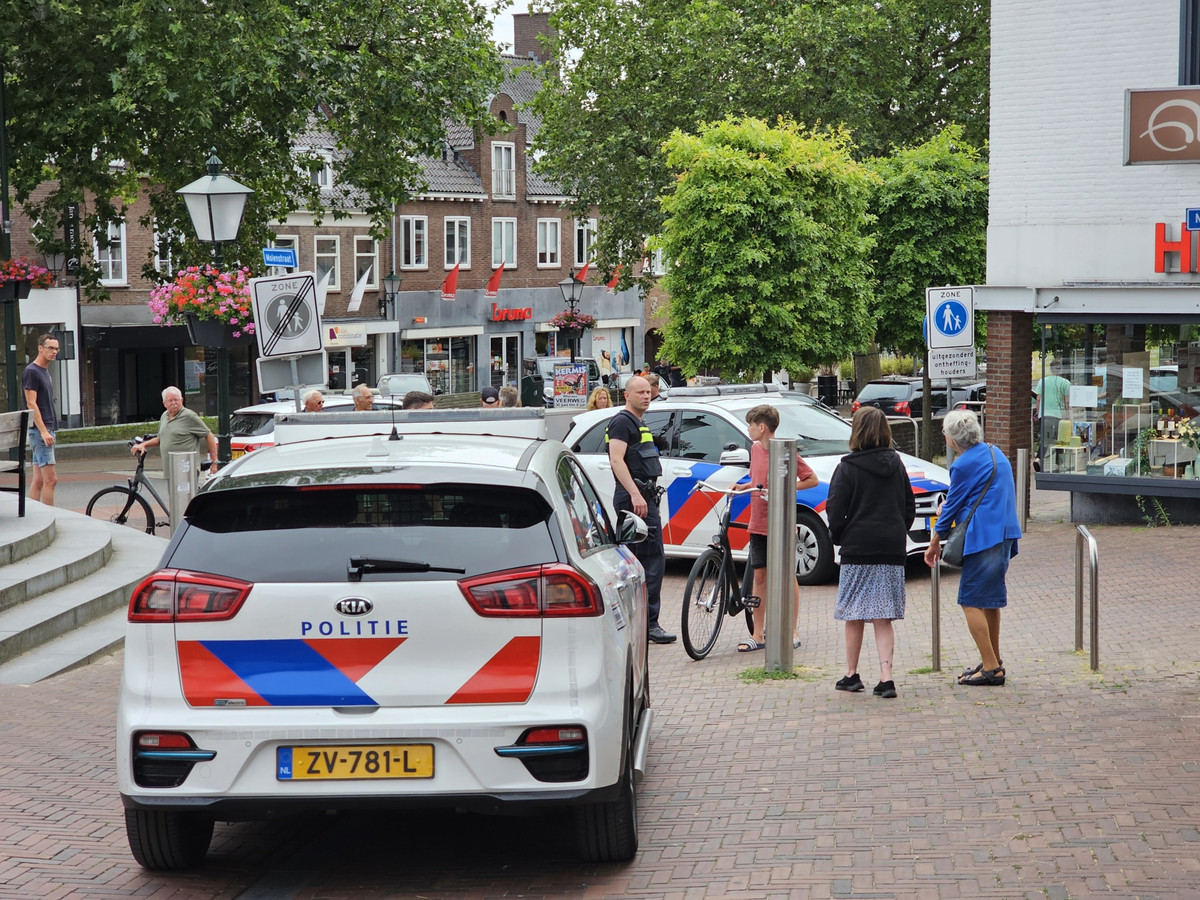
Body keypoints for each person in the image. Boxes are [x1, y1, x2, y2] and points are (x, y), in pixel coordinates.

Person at [924, 410, 1023, 687]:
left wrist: (935, 542)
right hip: (1004, 533)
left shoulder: (963, 464)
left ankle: (991, 667)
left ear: (953, 440)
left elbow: (952, 505)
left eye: (945, 433)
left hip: (982, 537)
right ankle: (995, 660)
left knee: (969, 601)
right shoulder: (996, 453)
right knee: (989, 600)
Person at [825, 407, 915, 698]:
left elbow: (835, 510)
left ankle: (851, 674)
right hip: (891, 547)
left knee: (854, 614)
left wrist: (840, 537)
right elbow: (909, 506)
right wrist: (897, 529)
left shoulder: (847, 468)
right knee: (883, 616)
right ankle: (886, 677)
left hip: (858, 547)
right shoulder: (897, 464)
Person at [731, 404, 818, 652]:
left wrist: (785, 487)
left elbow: (811, 479)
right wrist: (743, 486)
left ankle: (792, 631)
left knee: (786, 577)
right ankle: (758, 635)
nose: (748, 429)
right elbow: (756, 479)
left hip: (780, 523)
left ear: (762, 427)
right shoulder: (756, 450)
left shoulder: (785, 451)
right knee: (760, 576)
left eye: (750, 424)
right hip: (758, 522)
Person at [607, 375, 675, 644]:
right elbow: (616, 459)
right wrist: (636, 494)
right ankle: (648, 625)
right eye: (640, 392)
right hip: (635, 498)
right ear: (627, 395)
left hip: (642, 496)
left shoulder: (638, 421)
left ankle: (642, 622)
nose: (646, 396)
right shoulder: (623, 422)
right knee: (649, 561)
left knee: (643, 562)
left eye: (649, 392)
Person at [132, 387, 219, 483]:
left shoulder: (189, 416)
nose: (174, 403)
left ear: (181, 400)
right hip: (170, 469)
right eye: (170, 400)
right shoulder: (164, 416)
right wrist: (143, 444)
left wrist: (214, 462)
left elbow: (209, 435)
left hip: (186, 469)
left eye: (176, 400)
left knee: (185, 498)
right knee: (174, 497)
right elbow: (161, 438)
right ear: (164, 403)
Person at [22, 334, 60, 506]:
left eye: (56, 349)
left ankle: (34, 515)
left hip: (45, 430)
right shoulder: (32, 371)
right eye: (50, 348)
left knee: (38, 480)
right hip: (40, 431)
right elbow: (31, 402)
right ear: (40, 348)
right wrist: (44, 431)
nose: (54, 352)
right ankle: (49, 517)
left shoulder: (44, 371)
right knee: (51, 480)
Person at [1033, 360, 1072, 462]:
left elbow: (1038, 399)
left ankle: (1038, 459)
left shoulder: (1043, 381)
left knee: (1045, 439)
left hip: (1044, 415)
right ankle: (1059, 462)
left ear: (1051, 369)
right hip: (1058, 415)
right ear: (1061, 369)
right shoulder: (1065, 383)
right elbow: (1067, 401)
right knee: (1060, 439)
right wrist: (1067, 414)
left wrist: (1038, 412)